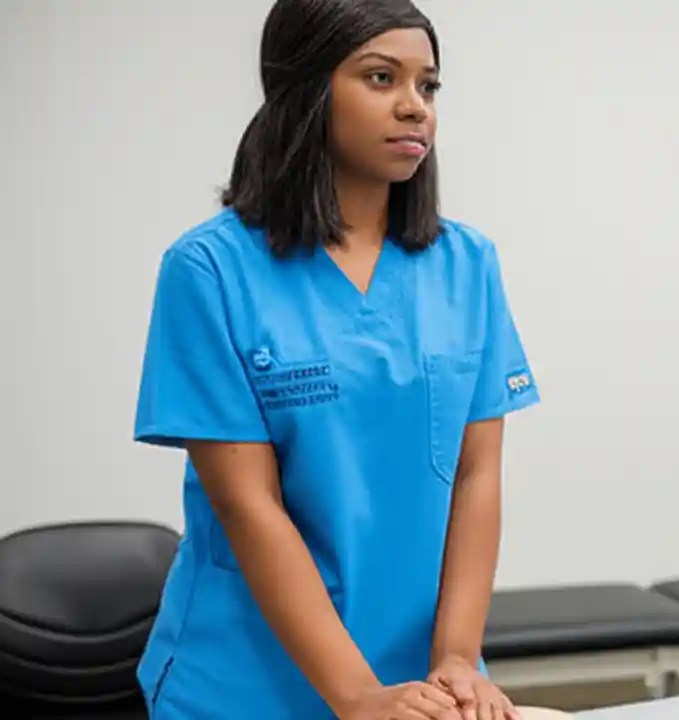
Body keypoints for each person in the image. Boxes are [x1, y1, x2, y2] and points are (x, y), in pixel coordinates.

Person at [132, 1, 539, 718]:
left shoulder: (466, 263)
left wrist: (454, 658)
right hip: (249, 685)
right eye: (381, 78)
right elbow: (245, 501)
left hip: (424, 678)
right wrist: (354, 695)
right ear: (306, 90)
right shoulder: (210, 269)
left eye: (428, 86)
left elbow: (478, 473)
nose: (415, 107)